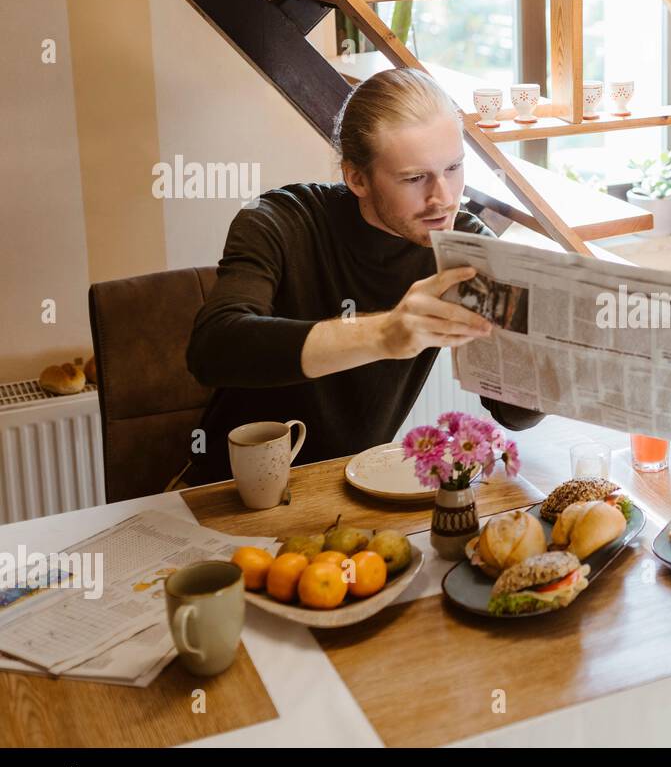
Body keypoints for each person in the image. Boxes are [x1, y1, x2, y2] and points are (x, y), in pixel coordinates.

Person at [180, 68, 541, 485]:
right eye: (414, 178)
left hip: (349, 486)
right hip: (231, 489)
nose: (443, 198)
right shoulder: (279, 220)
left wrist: (537, 354)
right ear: (356, 177)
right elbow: (213, 348)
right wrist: (384, 334)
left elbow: (514, 416)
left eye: (453, 168)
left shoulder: (464, 244)